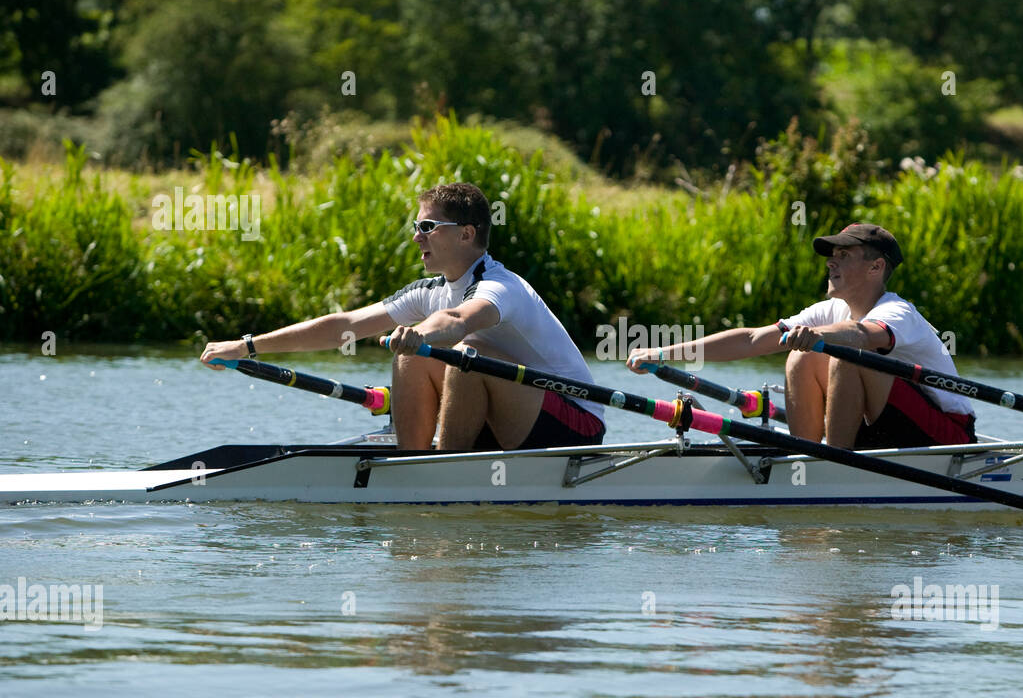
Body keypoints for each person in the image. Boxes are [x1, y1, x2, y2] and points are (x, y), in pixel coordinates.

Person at [202, 182, 604, 451]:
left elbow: (460, 320)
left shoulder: (500, 286)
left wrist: (418, 332)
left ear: (466, 234)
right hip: (514, 416)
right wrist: (248, 346)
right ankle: (410, 465)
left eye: (428, 226)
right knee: (413, 355)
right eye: (416, 226)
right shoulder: (426, 291)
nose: (416, 237)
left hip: (575, 425)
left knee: (468, 350)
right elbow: (345, 326)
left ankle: (441, 474)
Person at [626, 223, 975, 449]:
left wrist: (817, 335)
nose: (830, 263)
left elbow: (862, 335)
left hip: (947, 435)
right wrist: (661, 353)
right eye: (831, 255)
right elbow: (750, 340)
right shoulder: (826, 311)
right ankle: (806, 456)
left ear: (876, 267)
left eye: (843, 255)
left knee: (844, 350)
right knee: (802, 355)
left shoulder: (898, 312)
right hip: (885, 427)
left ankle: (832, 465)